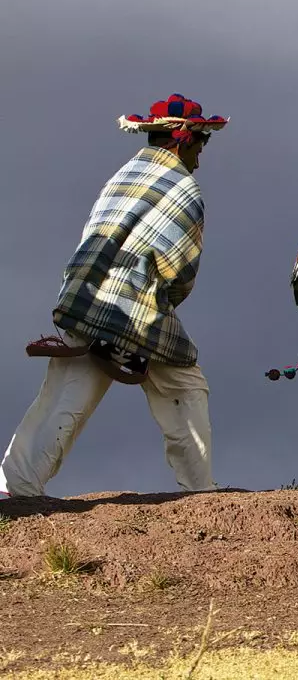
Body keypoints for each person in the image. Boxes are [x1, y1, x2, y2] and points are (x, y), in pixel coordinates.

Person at [0, 94, 228, 497]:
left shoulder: (122, 176)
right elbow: (179, 270)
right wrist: (160, 303)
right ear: (182, 139)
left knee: (66, 394)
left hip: (85, 296)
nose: (201, 154)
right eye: (201, 143)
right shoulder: (183, 188)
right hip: (135, 308)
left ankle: (14, 487)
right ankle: (199, 492)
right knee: (185, 386)